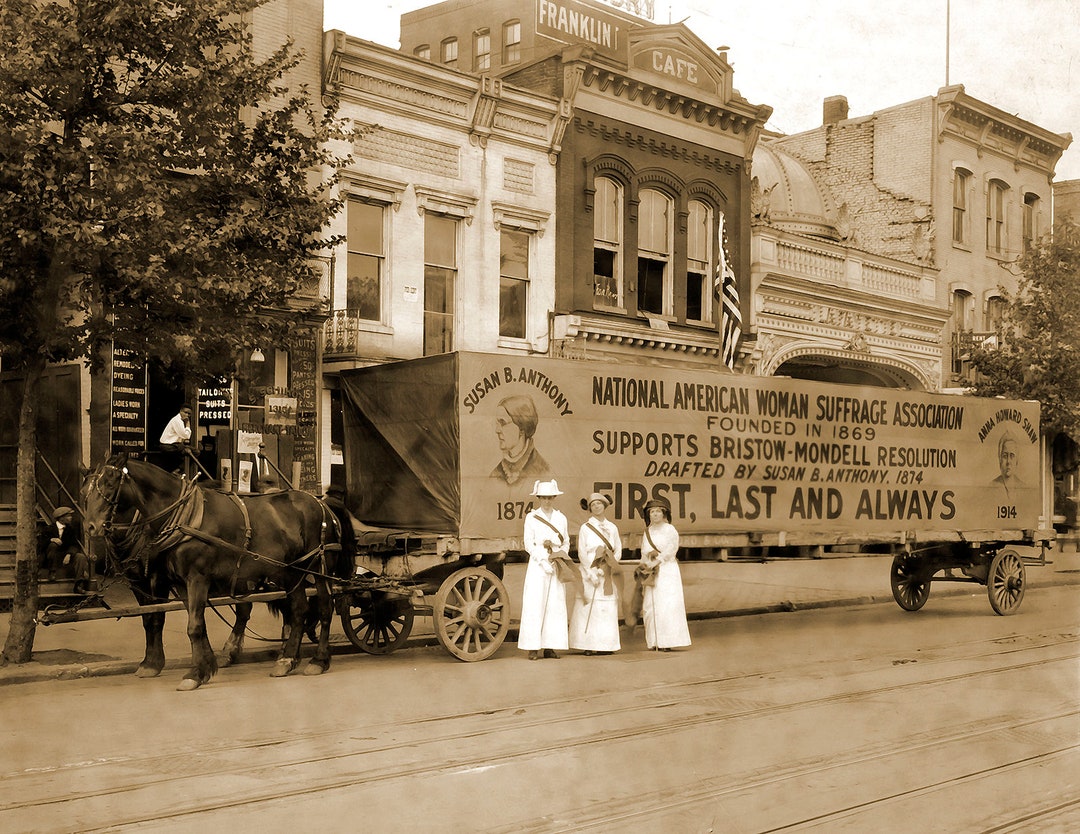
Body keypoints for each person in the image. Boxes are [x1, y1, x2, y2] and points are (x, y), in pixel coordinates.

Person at [517, 479, 569, 660]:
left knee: (555, 605)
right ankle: (533, 647)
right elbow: (528, 544)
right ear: (538, 498)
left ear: (554, 498)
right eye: (543, 498)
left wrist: (559, 556)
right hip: (538, 565)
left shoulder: (561, 518)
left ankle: (551, 646)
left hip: (556, 564)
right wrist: (542, 560)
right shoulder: (531, 517)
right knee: (535, 604)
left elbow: (566, 541)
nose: (547, 501)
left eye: (550, 497)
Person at [569, 493, 622, 655]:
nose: (596, 507)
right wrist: (591, 570)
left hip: (607, 568)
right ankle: (588, 644)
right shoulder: (585, 527)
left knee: (605, 606)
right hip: (590, 568)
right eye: (593, 505)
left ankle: (606, 645)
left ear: (605, 506)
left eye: (599, 504)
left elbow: (618, 549)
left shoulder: (612, 527)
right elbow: (582, 551)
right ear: (589, 508)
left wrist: (609, 564)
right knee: (589, 606)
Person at [638, 497, 691, 651]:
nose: (655, 515)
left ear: (663, 514)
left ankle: (668, 641)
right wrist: (644, 563)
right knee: (650, 605)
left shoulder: (670, 529)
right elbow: (643, 550)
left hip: (667, 570)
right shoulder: (647, 531)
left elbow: (671, 549)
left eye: (658, 512)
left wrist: (658, 561)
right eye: (652, 512)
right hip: (651, 571)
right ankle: (654, 641)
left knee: (667, 604)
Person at [490, 395, 551, 486]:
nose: (497, 430)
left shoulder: (543, 472)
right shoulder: (495, 475)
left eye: (503, 423)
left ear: (522, 427)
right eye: (497, 424)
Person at [42, 506, 90, 591]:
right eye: (68, 516)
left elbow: (74, 545)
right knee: (53, 545)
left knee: (81, 557)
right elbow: (40, 543)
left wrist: (69, 554)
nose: (71, 518)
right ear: (61, 518)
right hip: (51, 558)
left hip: (65, 556)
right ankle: (52, 572)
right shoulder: (49, 529)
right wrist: (51, 539)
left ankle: (78, 584)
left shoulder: (70, 530)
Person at [159, 405, 193, 474]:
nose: (187, 415)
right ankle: (179, 470)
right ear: (180, 411)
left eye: (189, 414)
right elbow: (186, 436)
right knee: (193, 451)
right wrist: (188, 425)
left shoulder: (180, 421)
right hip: (168, 446)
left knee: (190, 451)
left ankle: (178, 470)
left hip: (173, 445)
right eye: (185, 412)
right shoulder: (177, 420)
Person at [992, 431, 1023, 498]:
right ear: (1000, 459)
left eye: (1012, 456)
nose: (1008, 461)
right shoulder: (991, 488)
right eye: (1005, 456)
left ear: (1017, 460)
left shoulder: (1024, 488)